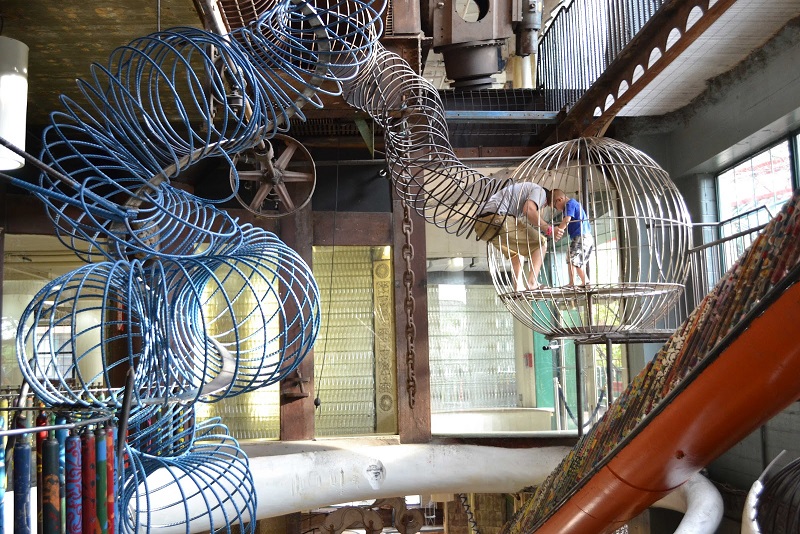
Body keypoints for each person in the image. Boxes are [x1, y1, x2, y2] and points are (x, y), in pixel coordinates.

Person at [474, 182, 553, 291]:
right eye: (543, 205)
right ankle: (532, 283)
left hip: (481, 226)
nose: (540, 207)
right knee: (541, 242)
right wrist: (548, 228)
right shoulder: (541, 191)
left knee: (515, 252)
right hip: (498, 218)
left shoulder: (520, 191)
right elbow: (529, 210)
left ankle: (518, 286)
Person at [551, 188, 594, 286]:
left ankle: (572, 282)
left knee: (571, 258)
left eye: (555, 206)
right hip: (587, 237)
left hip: (581, 236)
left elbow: (567, 219)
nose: (557, 209)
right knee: (577, 261)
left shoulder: (569, 204)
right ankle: (585, 281)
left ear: (559, 200)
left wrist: (559, 230)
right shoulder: (574, 204)